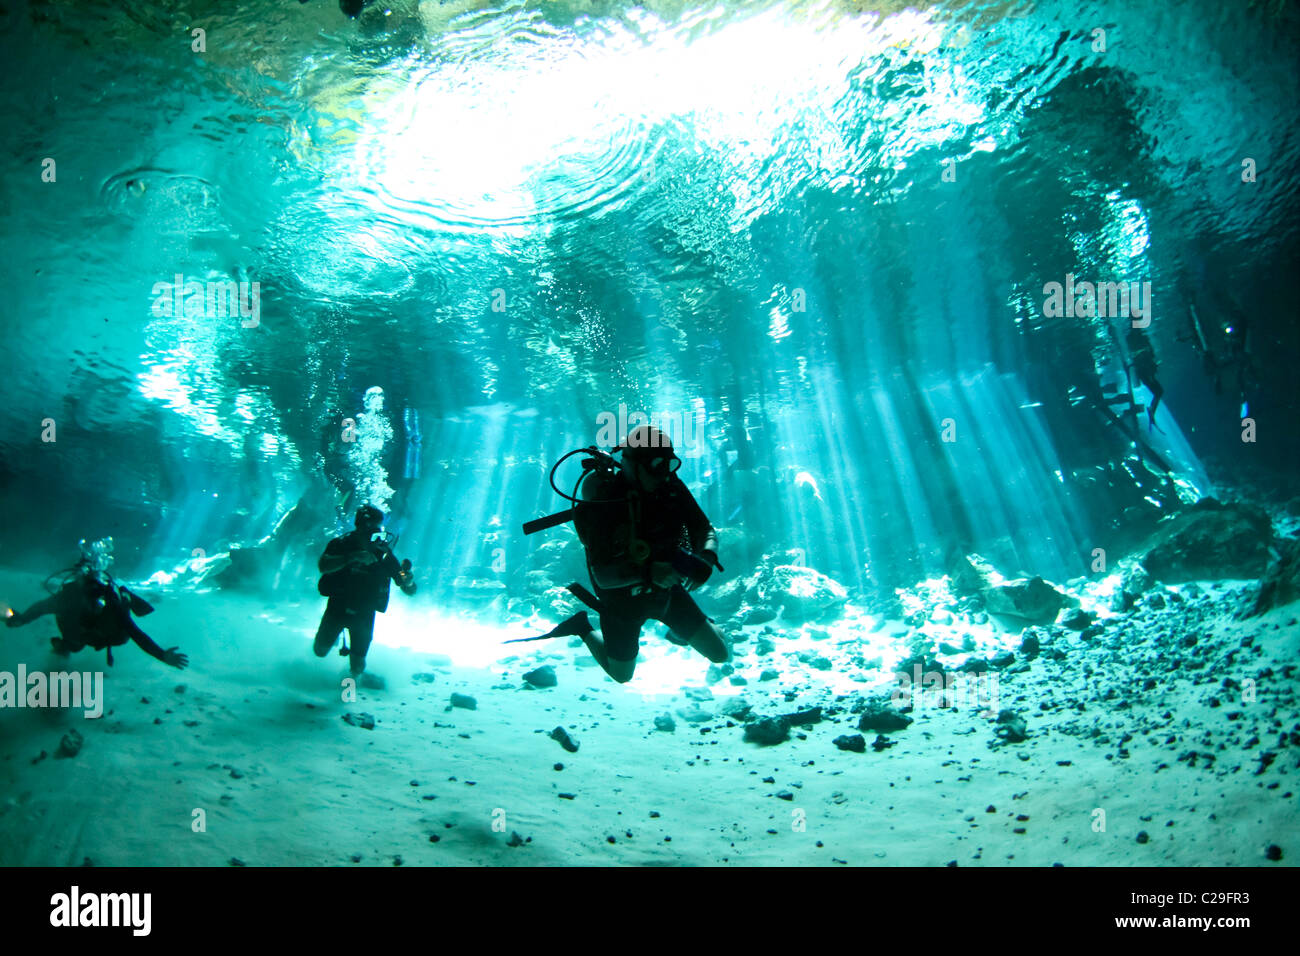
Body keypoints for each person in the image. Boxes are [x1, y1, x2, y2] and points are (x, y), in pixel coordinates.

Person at [550, 426, 728, 683]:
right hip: (621, 602)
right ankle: (582, 627)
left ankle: (689, 628)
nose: (664, 474)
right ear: (631, 464)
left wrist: (707, 558)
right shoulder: (604, 499)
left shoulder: (671, 485)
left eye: (670, 464)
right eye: (656, 465)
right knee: (622, 675)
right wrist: (648, 572)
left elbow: (703, 528)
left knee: (720, 654)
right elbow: (602, 576)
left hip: (665, 591)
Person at [5, 538, 188, 669]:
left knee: (112, 632)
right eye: (88, 582)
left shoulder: (108, 600)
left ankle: (66, 647)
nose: (91, 588)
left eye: (94, 583)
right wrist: (16, 618)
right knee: (74, 645)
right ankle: (64, 649)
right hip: (80, 635)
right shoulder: (66, 598)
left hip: (99, 634)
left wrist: (162, 654)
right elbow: (36, 610)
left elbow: (132, 631)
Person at [314, 504, 416, 680]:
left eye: (378, 529)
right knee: (320, 651)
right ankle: (335, 641)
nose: (374, 534)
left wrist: (409, 580)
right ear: (359, 527)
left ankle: (349, 685)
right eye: (371, 529)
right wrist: (351, 557)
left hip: (364, 613)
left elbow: (405, 584)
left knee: (357, 664)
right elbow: (324, 566)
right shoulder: (341, 544)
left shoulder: (384, 554)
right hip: (338, 606)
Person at [1126, 325, 1164, 431]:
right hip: (1145, 372)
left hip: (1144, 372)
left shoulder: (1135, 338)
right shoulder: (1138, 339)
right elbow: (1144, 355)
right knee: (1159, 391)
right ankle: (1151, 410)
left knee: (1159, 392)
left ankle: (1152, 410)